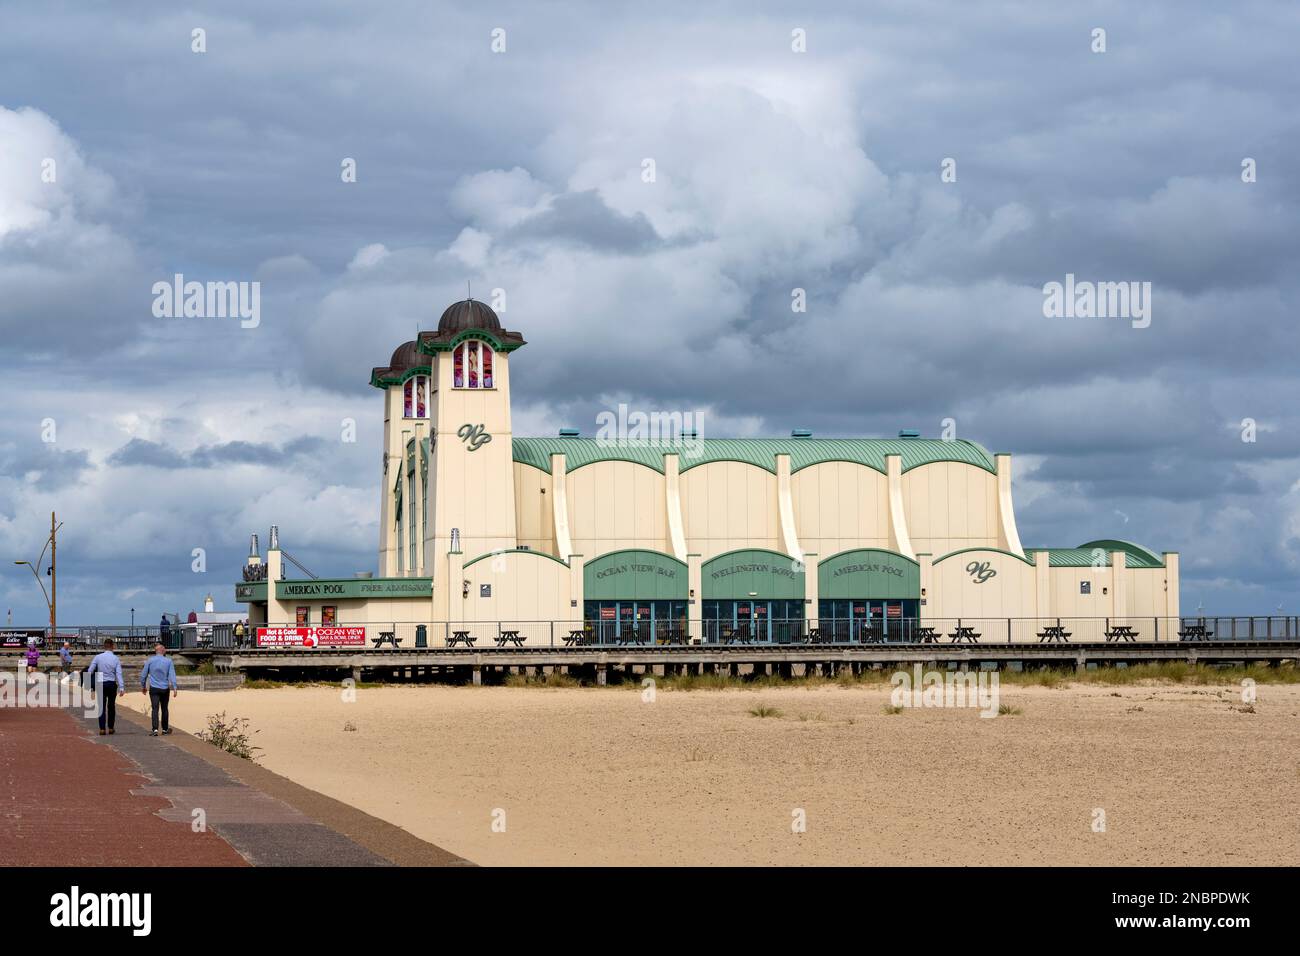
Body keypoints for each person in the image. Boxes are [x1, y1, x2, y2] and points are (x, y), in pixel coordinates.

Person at [85, 639, 124, 735]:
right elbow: (119, 673)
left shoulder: (98, 657)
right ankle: (111, 727)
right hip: (111, 684)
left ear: (104, 646)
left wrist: (87, 685)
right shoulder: (115, 658)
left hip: (101, 683)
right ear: (112, 646)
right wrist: (122, 687)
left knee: (101, 707)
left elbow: (90, 671)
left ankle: (102, 728)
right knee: (111, 706)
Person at [139, 643, 178, 736]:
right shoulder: (168, 661)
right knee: (164, 708)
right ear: (161, 650)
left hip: (154, 688)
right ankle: (164, 729)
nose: (165, 651)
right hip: (165, 688)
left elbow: (143, 675)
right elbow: (172, 675)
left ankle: (155, 729)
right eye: (164, 649)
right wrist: (175, 687)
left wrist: (143, 686)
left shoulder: (150, 660)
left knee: (155, 708)